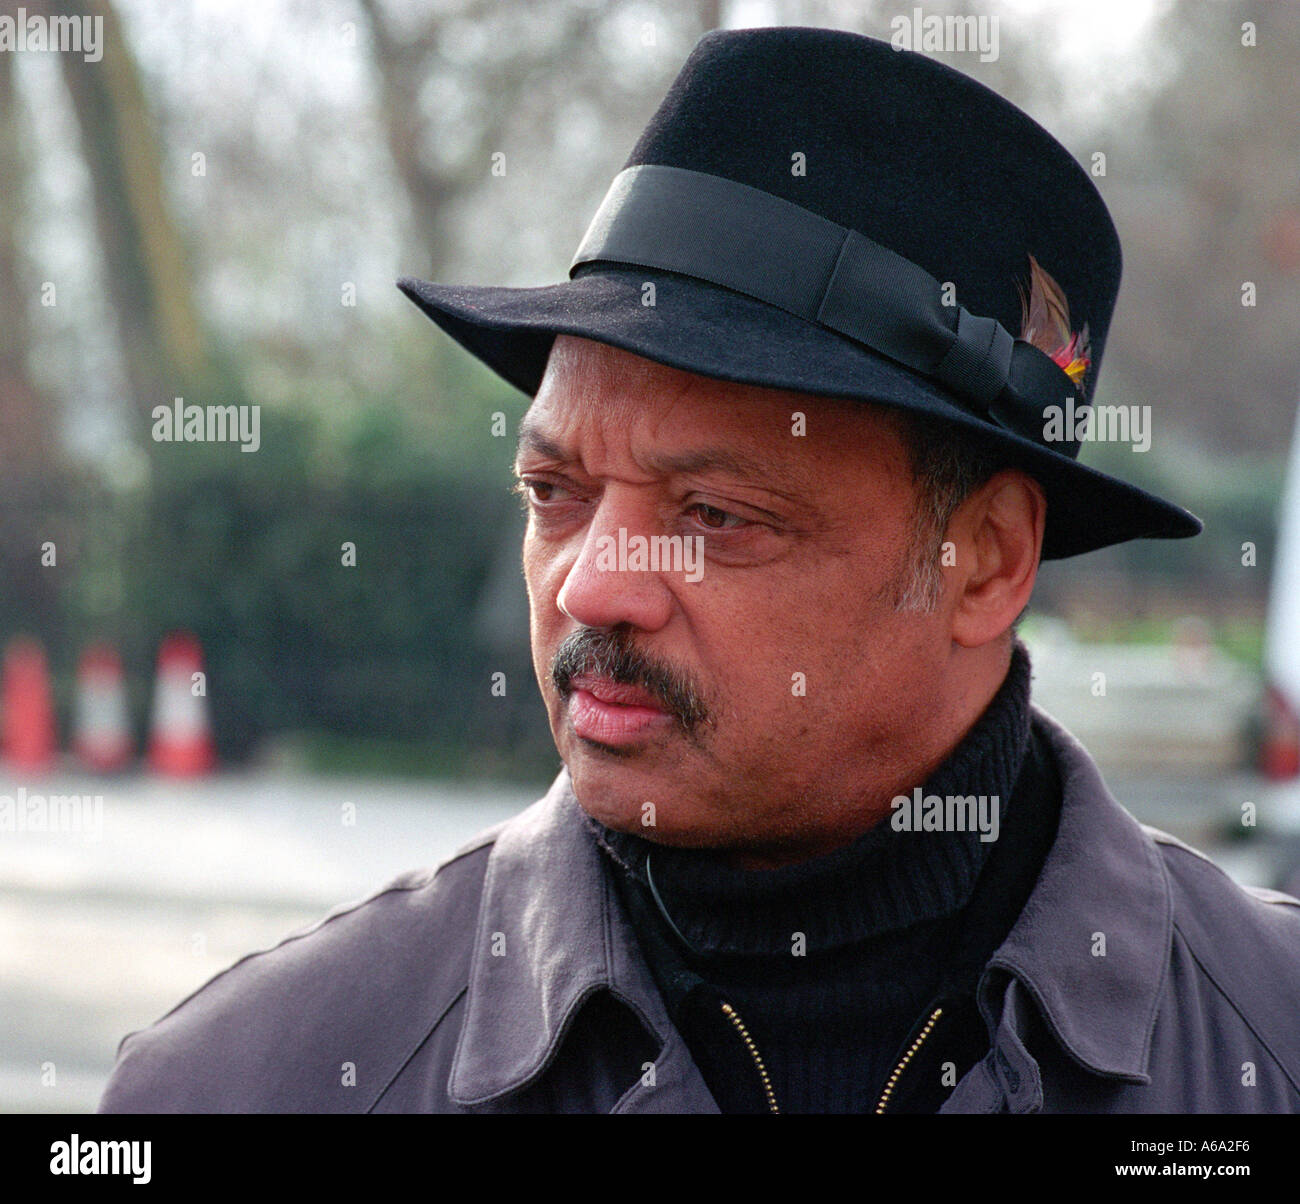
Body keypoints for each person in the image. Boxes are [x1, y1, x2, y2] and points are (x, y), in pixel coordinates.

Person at [99, 26, 1300, 1114]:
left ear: (985, 562)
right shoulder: (245, 1084)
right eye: (553, 492)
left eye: (716, 515)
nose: (590, 586)